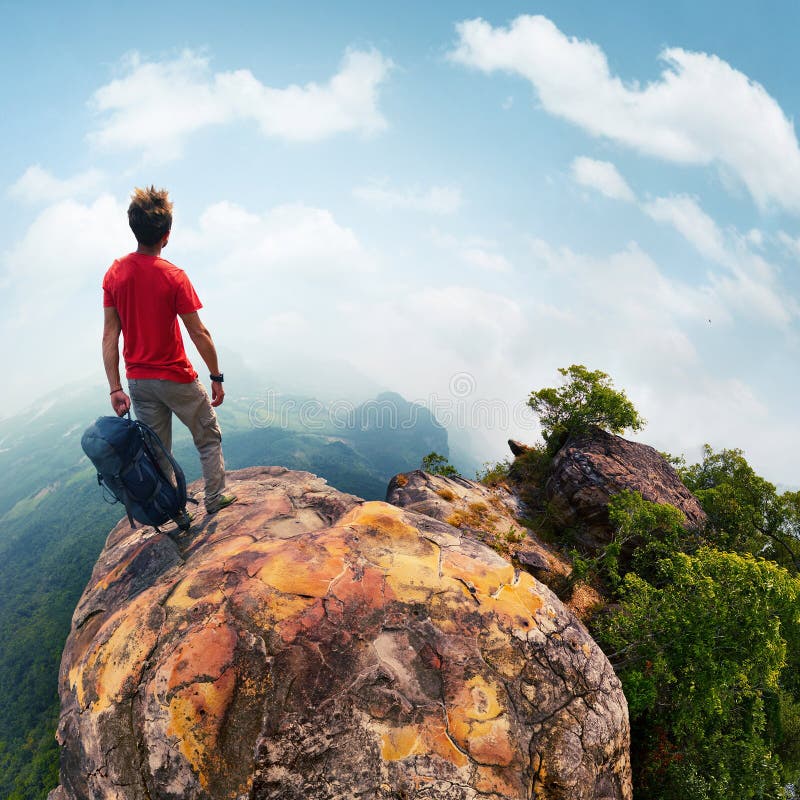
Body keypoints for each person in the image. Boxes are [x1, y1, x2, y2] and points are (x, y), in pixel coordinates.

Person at [101, 185, 236, 516]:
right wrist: (216, 376)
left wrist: (115, 387)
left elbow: (110, 336)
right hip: (175, 375)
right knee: (206, 435)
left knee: (158, 453)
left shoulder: (115, 274)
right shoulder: (174, 276)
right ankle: (216, 498)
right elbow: (198, 332)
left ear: (134, 228)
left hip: (139, 382)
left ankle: (175, 511)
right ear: (167, 235)